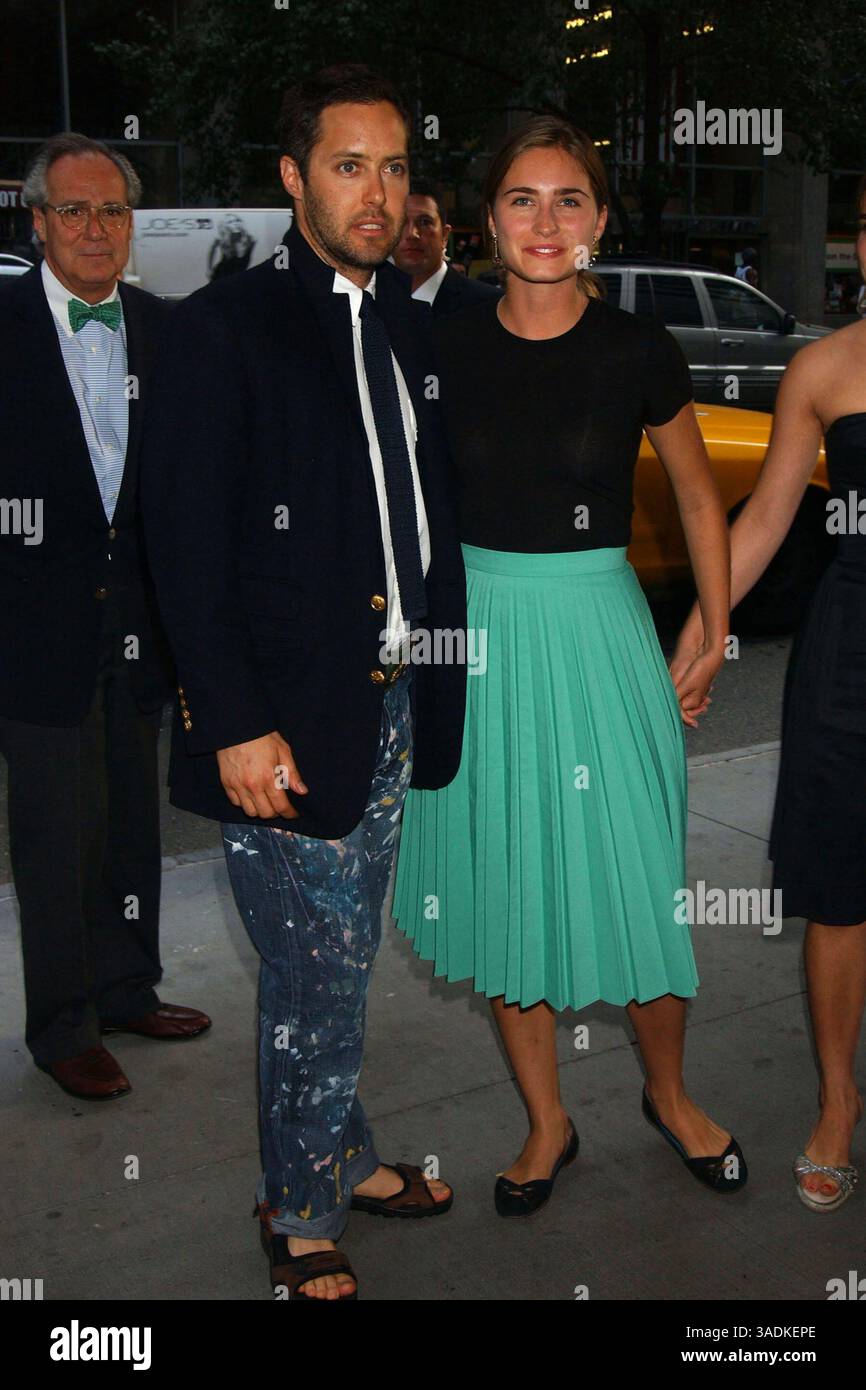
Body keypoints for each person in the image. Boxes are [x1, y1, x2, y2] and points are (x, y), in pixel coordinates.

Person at [140, 64, 467, 1300]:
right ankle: (297, 1208)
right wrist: (230, 722)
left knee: (332, 965)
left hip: (387, 699)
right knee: (315, 977)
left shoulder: (402, 319)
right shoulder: (223, 329)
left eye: (393, 167)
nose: (377, 193)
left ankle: (345, 1146)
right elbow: (181, 541)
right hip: (279, 722)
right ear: (292, 179)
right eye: (347, 166)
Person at [392, 115, 748, 1215]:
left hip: (599, 635)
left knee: (636, 885)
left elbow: (697, 496)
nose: (544, 222)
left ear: (597, 220)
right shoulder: (436, 344)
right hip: (477, 639)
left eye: (568, 201)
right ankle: (546, 1121)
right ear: (485, 218)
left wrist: (712, 629)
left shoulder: (636, 348)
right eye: (520, 199)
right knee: (505, 884)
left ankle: (668, 1094)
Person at [0, 133, 210, 1103]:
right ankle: (61, 1024)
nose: (95, 229)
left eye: (113, 211)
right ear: (37, 221)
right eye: (74, 211)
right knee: (56, 838)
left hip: (138, 633)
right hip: (32, 637)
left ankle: (127, 986)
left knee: (133, 821)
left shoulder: (168, 332)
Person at [675, 173, 866, 1215]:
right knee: (838, 890)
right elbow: (759, 524)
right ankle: (836, 1098)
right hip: (849, 649)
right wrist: (697, 638)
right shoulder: (824, 368)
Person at [392, 180, 501, 315]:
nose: (412, 234)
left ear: (444, 235)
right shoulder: (371, 301)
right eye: (401, 222)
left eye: (425, 222)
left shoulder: (490, 305)